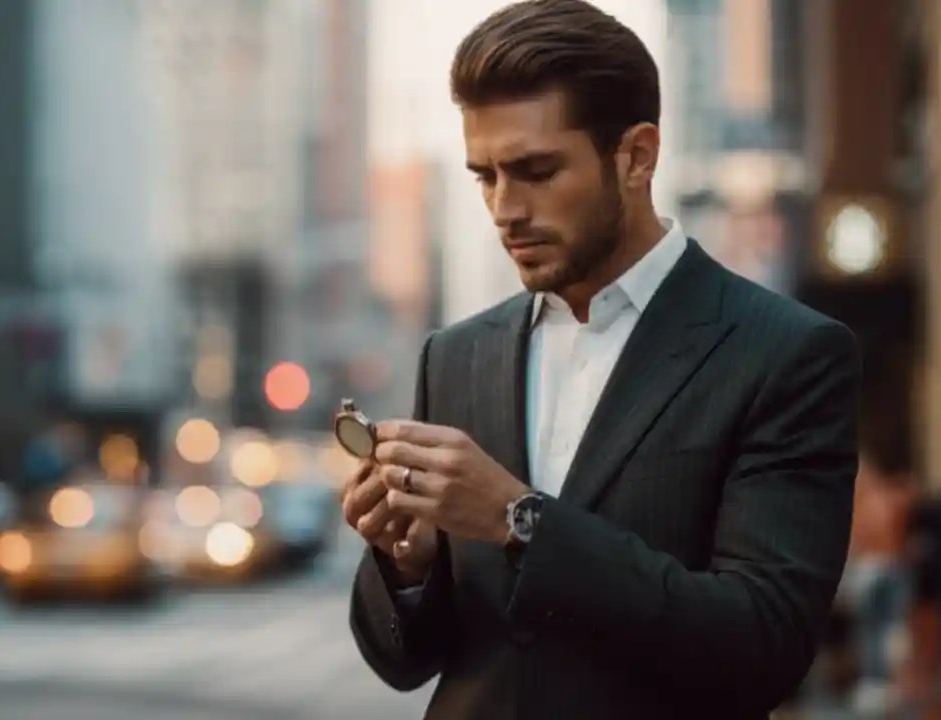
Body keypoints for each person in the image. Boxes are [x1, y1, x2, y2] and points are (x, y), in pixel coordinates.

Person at [342, 1, 861, 717]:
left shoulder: (783, 353)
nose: (504, 208)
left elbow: (764, 643)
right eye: (484, 176)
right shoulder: (455, 357)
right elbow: (406, 662)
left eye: (536, 170)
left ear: (637, 156)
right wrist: (408, 566)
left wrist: (518, 519)